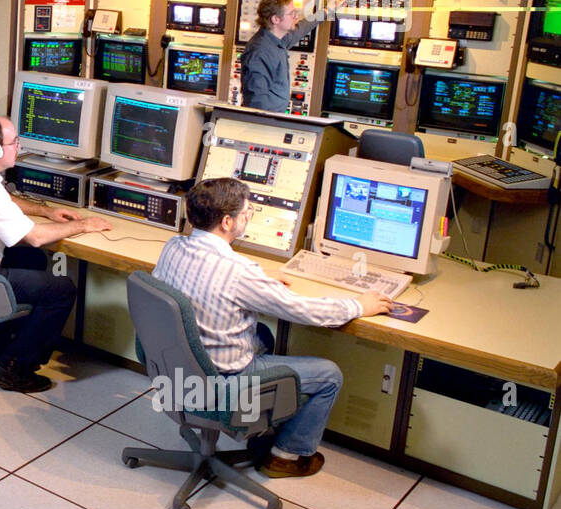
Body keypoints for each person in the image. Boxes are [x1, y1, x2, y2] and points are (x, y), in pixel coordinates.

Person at [152, 177, 395, 477]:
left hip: (176, 371)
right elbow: (302, 309)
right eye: (247, 212)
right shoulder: (239, 273)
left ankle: (263, 419)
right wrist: (359, 305)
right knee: (330, 375)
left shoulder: (174, 246)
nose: (248, 216)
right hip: (222, 378)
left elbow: (212, 279)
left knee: (263, 335)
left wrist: (259, 282)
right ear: (228, 222)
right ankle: (286, 456)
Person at [0, 114, 111, 392]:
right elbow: (36, 237)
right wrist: (84, 225)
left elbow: (6, 201)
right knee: (61, 290)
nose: (19, 148)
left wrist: (46, 211)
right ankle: (13, 367)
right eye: (14, 143)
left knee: (33, 260)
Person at [240, 0, 343, 113]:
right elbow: (257, 102)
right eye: (292, 13)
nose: (296, 16)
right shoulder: (259, 51)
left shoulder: (277, 39)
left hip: (274, 118)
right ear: (276, 19)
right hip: (265, 123)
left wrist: (328, 10)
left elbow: (301, 28)